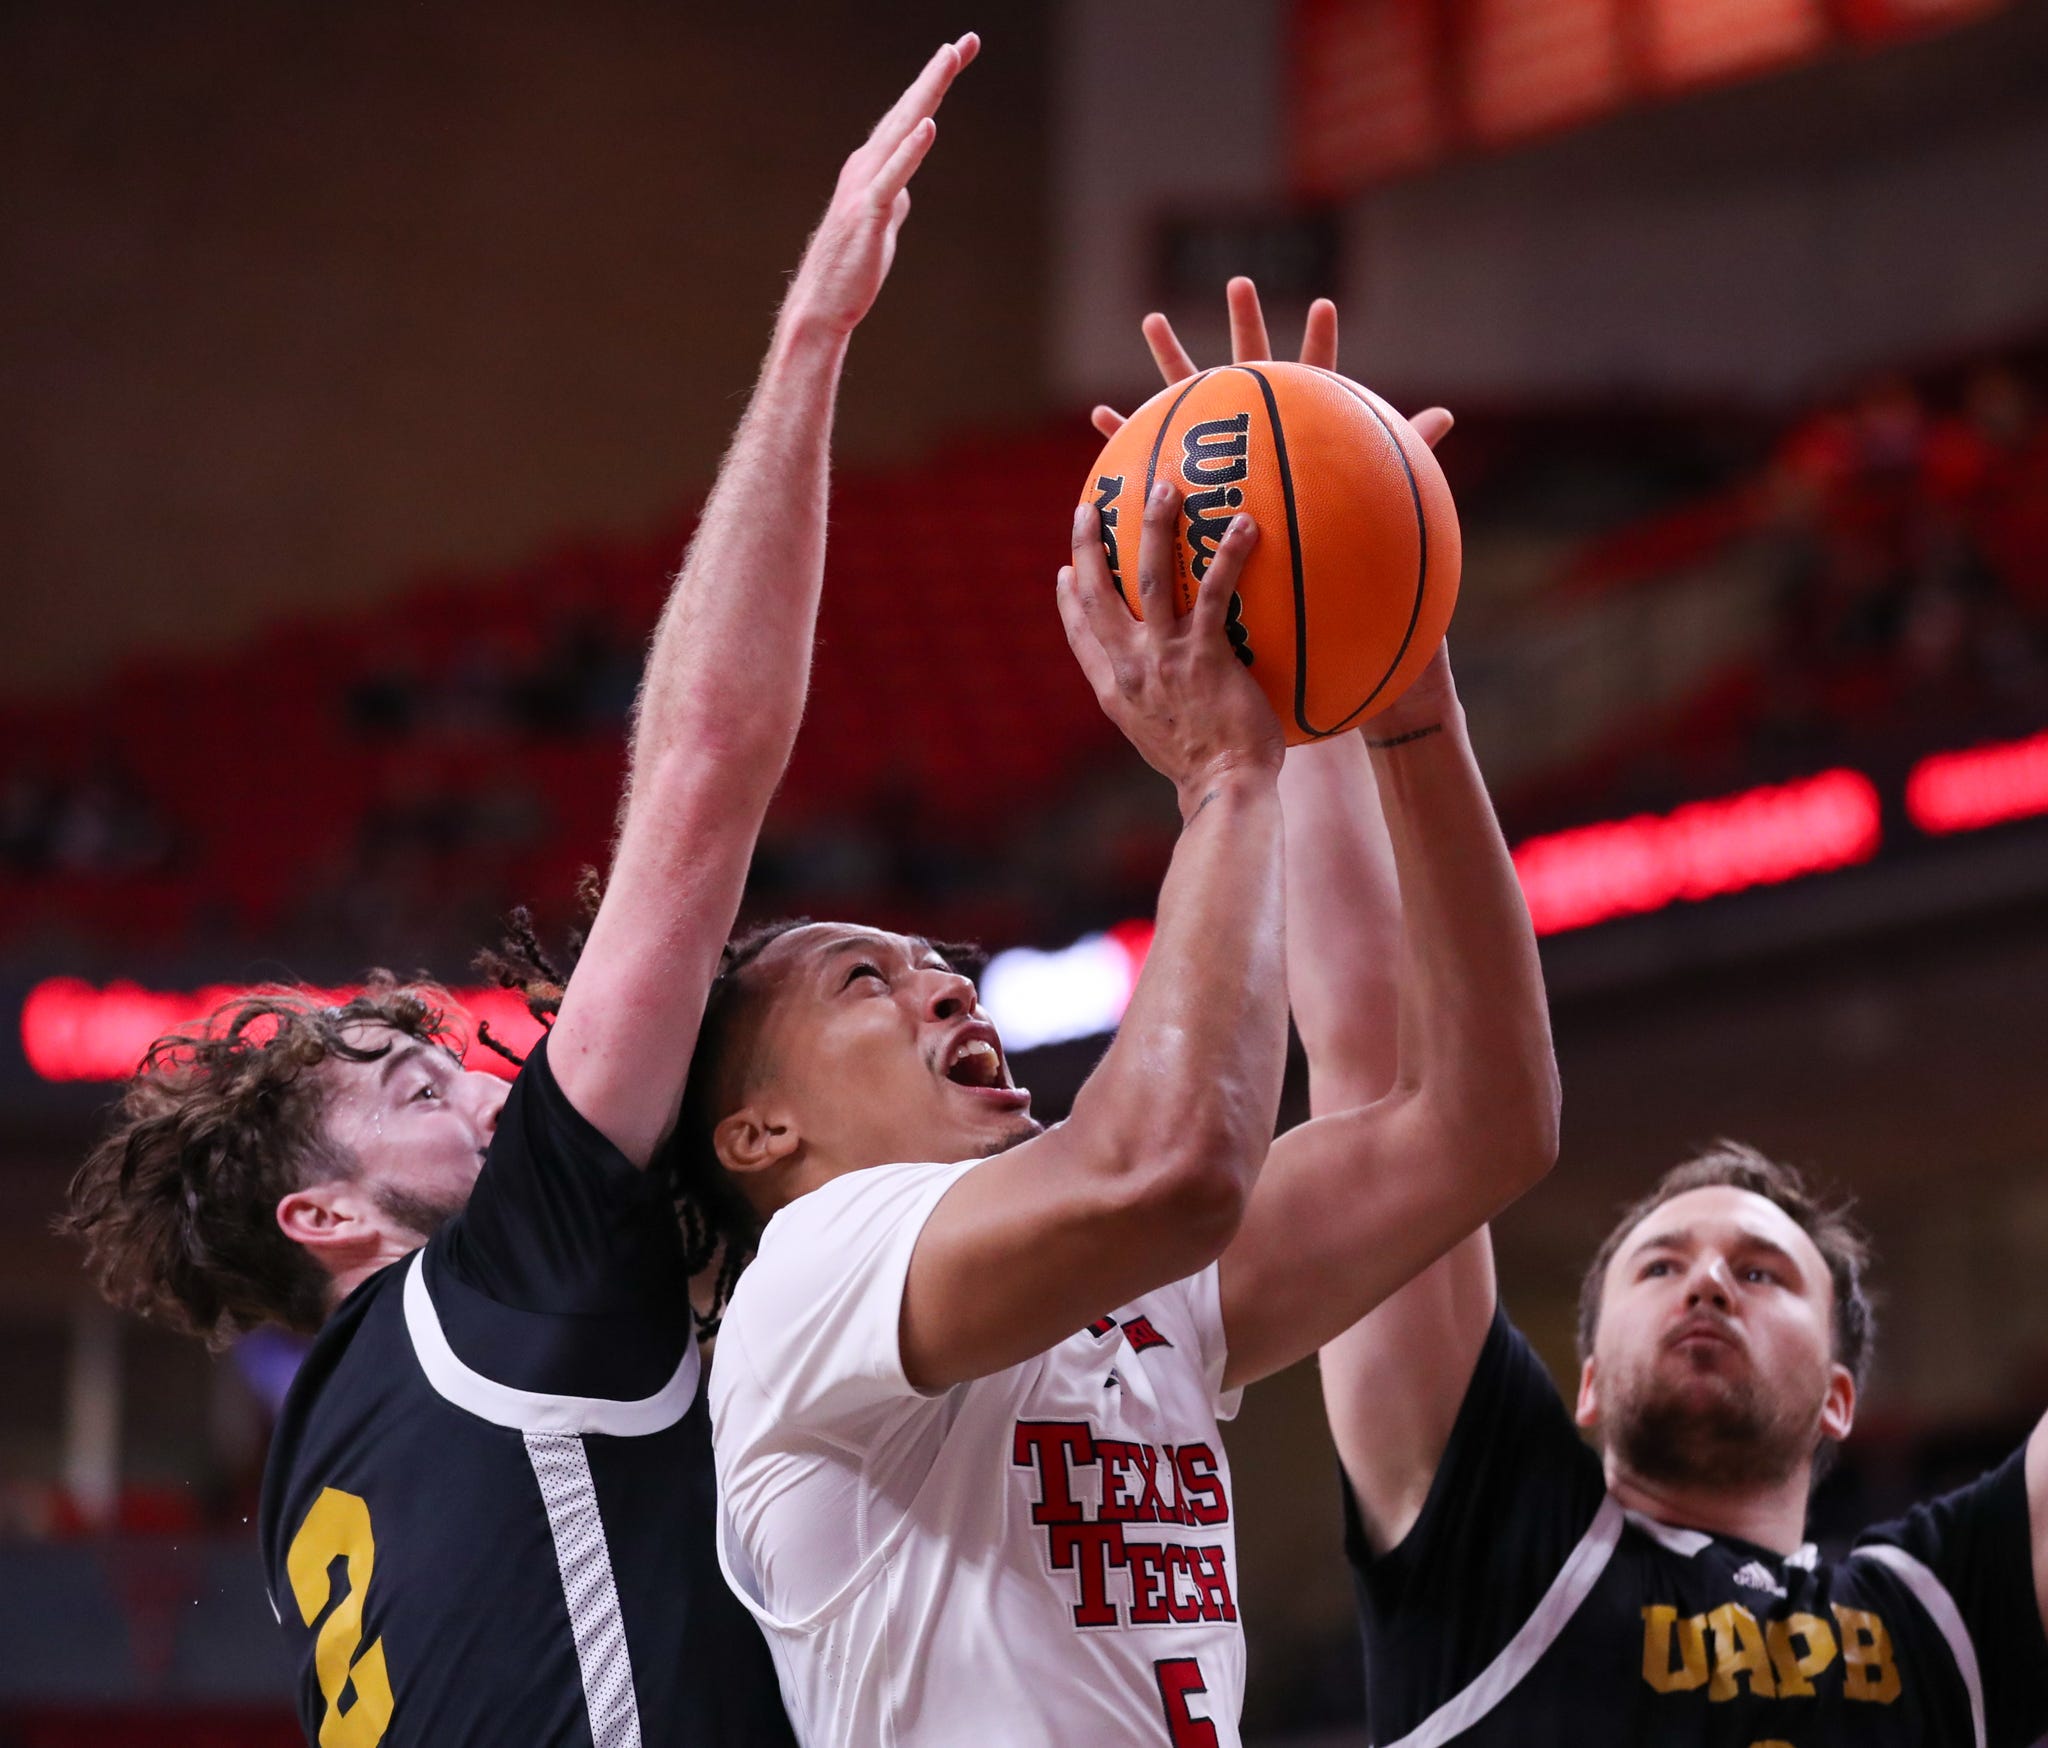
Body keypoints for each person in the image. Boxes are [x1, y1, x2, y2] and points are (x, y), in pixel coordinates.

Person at [59, 35, 978, 1748]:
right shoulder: (486, 1284)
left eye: (456, 1062)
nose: (487, 1087)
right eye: (416, 1087)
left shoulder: (334, 1463)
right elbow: (702, 777)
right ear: (323, 1220)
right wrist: (810, 339)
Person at [699, 284, 1559, 1745]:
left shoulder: (1131, 1285)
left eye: (929, 958)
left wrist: (1403, 698)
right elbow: (1169, 1165)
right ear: (758, 1131)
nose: (946, 982)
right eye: (867, 979)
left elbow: (1477, 1127)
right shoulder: (806, 1286)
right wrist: (1225, 781)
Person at [1274, 435, 2048, 1740]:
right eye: (1661, 1265)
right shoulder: (1495, 1543)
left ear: (1841, 1398)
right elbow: (1372, 1064)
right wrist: (1308, 654)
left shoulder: (1941, 1607)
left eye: (1762, 1274)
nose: (1705, 1281)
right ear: (1583, 1386)